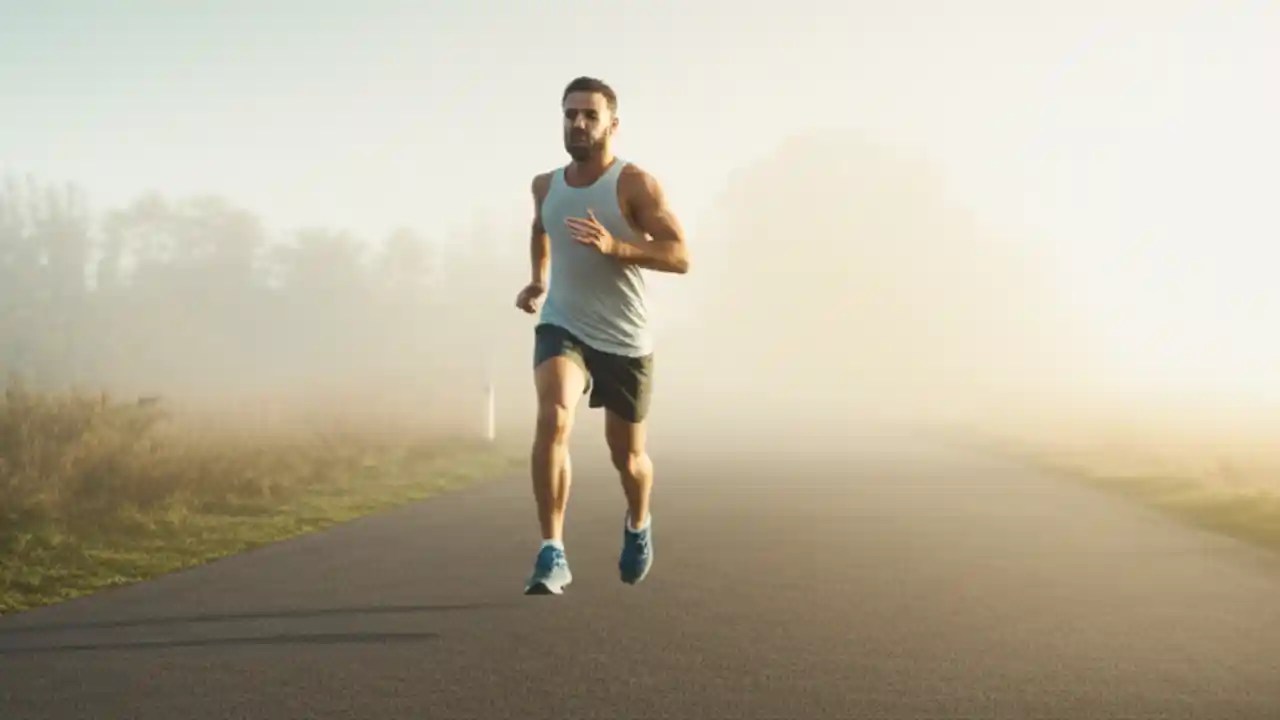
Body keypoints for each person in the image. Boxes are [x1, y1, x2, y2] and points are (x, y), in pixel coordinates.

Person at [514, 76, 690, 595]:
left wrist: (619, 248)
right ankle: (553, 552)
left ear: (613, 123)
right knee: (553, 415)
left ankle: (639, 523)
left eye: (590, 115)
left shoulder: (635, 185)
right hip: (563, 322)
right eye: (570, 114)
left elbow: (680, 255)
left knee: (628, 458)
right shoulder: (546, 184)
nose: (578, 124)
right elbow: (540, 226)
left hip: (624, 337)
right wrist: (538, 280)